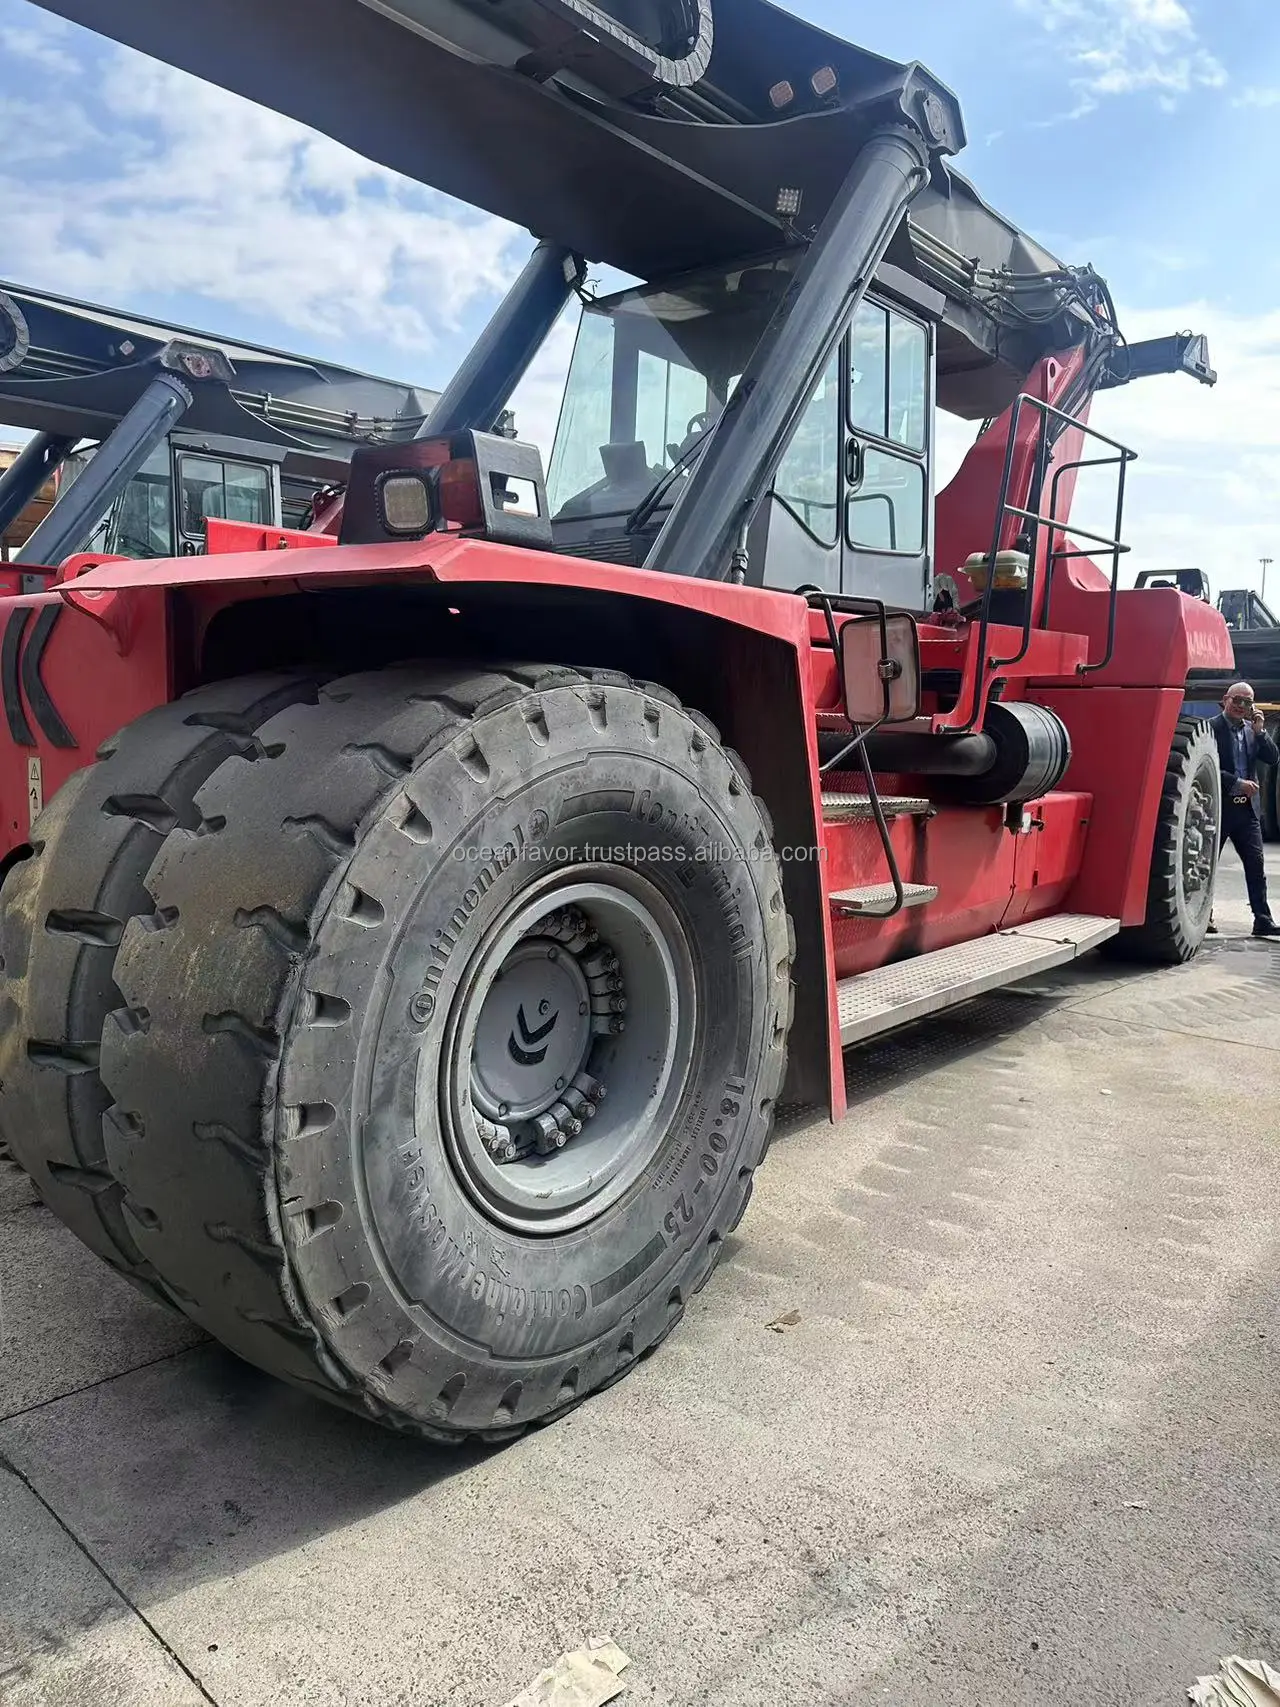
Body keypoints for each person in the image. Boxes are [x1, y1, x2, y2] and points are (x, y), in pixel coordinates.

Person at [1209, 683, 1280, 938]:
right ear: (1225, 699)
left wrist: (1261, 733)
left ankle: (1262, 919)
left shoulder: (1252, 731)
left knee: (1256, 864)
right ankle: (1204, 915)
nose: (1241, 706)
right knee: (1207, 866)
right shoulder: (1210, 729)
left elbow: (1273, 758)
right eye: (1237, 700)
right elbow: (1208, 768)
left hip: (1247, 812)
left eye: (1247, 702)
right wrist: (1237, 783)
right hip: (1218, 808)